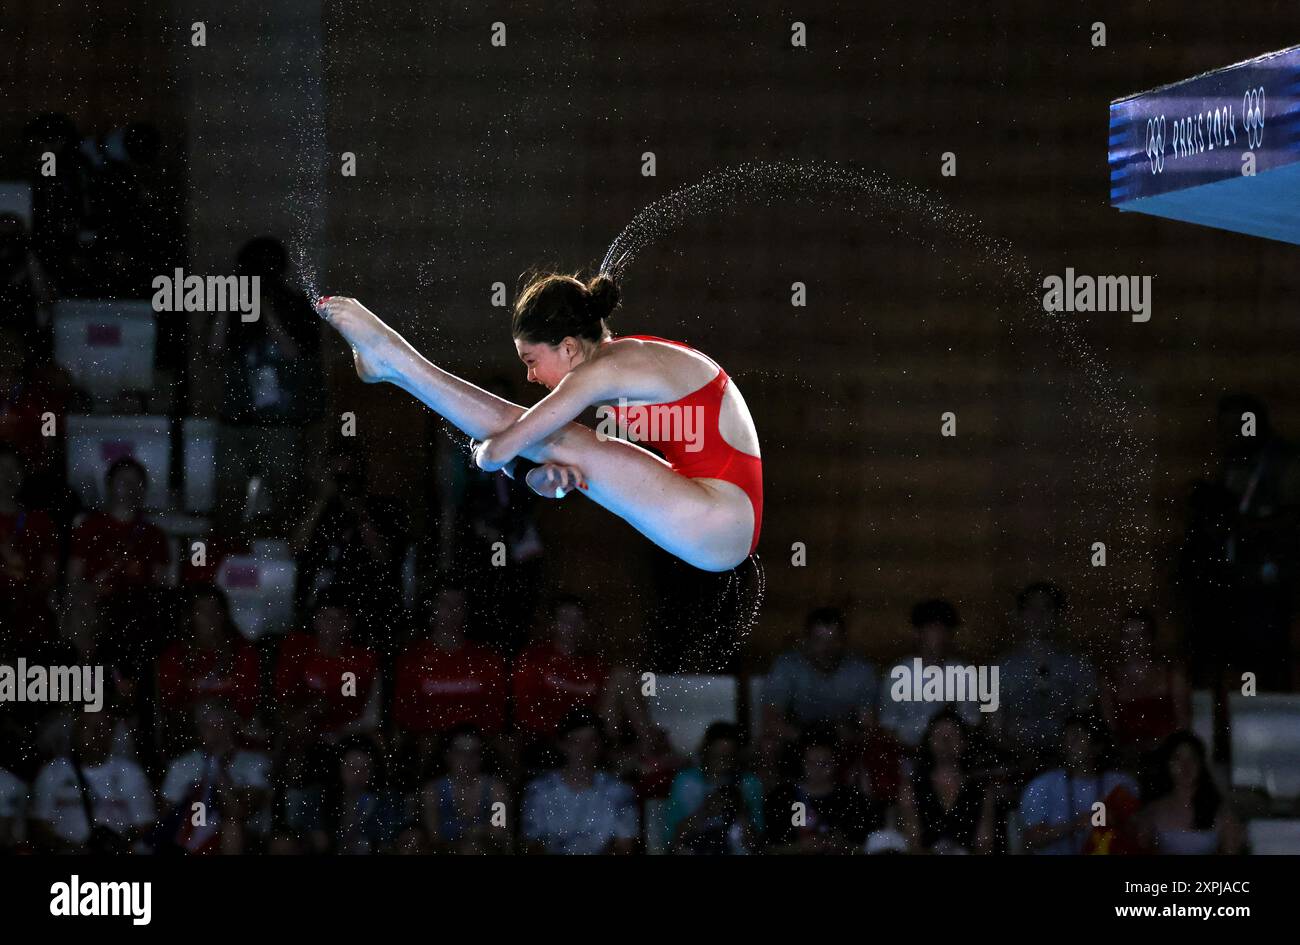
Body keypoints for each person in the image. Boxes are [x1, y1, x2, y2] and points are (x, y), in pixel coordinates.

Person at [317, 271, 762, 571]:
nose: (529, 375)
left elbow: (498, 451)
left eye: (531, 360)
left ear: (568, 347)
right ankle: (391, 365)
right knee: (562, 441)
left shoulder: (601, 371)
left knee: (561, 438)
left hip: (719, 521)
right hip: (717, 509)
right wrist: (537, 476)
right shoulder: (618, 356)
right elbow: (522, 455)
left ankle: (396, 360)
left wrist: (492, 454)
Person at [994, 582, 1097, 767]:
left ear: (1057, 616)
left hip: (1067, 761)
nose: (1039, 615)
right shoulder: (1000, 667)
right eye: (1032, 608)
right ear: (1020, 615)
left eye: (1047, 608)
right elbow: (993, 728)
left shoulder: (1078, 666)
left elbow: (1084, 722)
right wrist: (1019, 754)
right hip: (1014, 760)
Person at [29, 711, 155, 853]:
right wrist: (75, 849)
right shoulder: (52, 772)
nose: (96, 734)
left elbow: (145, 823)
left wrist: (116, 843)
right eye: (88, 728)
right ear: (75, 733)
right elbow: (40, 825)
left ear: (112, 734)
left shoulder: (131, 773)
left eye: (102, 728)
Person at [520, 709, 639, 854]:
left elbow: (624, 846)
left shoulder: (620, 792)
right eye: (575, 742)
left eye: (591, 742)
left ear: (600, 745)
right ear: (562, 745)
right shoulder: (538, 790)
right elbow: (532, 844)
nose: (583, 749)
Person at [1018, 714, 1137, 855]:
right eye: (1066, 737)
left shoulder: (1121, 783)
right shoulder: (1042, 785)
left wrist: (1113, 820)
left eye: (1077, 736)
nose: (1070, 743)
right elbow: (1032, 839)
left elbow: (1138, 830)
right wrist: (1078, 824)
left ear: (1097, 745)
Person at [877, 598, 981, 747]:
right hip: (906, 758)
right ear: (917, 633)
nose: (941, 635)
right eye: (934, 628)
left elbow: (971, 723)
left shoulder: (964, 674)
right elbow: (887, 727)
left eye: (946, 629)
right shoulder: (897, 674)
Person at [762, 607, 878, 738]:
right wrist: (807, 738)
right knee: (769, 744)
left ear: (844, 641)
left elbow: (867, 725)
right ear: (806, 640)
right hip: (797, 738)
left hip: (842, 740)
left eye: (834, 640)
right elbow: (772, 718)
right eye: (818, 640)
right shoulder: (786, 666)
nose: (827, 648)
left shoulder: (861, 671)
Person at [897, 708, 996, 854]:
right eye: (939, 735)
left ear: (964, 743)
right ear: (929, 741)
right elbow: (913, 845)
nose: (945, 741)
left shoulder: (982, 791)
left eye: (952, 735)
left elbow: (984, 846)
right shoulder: (911, 788)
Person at [1133, 731, 1245, 855]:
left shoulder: (1221, 811)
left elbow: (1232, 849)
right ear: (1167, 764)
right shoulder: (1153, 810)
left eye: (1192, 758)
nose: (1185, 766)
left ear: (1201, 764)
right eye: (1177, 758)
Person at [1099, 609, 1190, 761]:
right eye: (1127, 636)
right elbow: (1110, 730)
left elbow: (1183, 724)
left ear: (1151, 638)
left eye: (1141, 635)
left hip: (1168, 757)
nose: (1134, 643)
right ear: (1120, 639)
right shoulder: (1109, 680)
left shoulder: (1173, 676)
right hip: (1126, 759)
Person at [663, 722, 764, 855]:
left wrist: (739, 810)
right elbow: (670, 839)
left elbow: (758, 843)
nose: (722, 764)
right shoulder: (686, 781)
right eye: (717, 757)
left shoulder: (749, 783)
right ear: (706, 752)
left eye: (728, 758)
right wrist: (705, 811)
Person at [419, 725, 511, 854]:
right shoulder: (432, 791)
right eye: (460, 752)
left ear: (481, 757)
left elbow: (498, 832)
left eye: (474, 753)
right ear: (448, 755)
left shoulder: (496, 789)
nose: (467, 759)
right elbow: (433, 838)